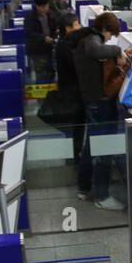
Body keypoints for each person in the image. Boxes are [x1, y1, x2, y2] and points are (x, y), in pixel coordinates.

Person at [74, 12, 132, 210]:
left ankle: (83, 187)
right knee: (104, 148)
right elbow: (97, 51)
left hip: (91, 101)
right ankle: (101, 195)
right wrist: (118, 50)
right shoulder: (92, 39)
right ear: (105, 29)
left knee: (91, 147)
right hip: (98, 104)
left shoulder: (86, 37)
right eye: (111, 35)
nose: (110, 38)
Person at [54, 13, 87, 161]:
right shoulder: (65, 46)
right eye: (76, 24)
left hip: (72, 90)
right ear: (68, 29)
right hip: (71, 92)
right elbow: (76, 67)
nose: (79, 27)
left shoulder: (66, 43)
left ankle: (75, 153)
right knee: (76, 126)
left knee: (77, 126)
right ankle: (75, 156)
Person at [25, 0, 57, 78]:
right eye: (44, 7)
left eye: (47, 6)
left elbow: (54, 27)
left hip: (50, 48)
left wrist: (55, 33)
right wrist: (43, 38)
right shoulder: (30, 18)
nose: (46, 9)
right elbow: (29, 33)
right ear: (38, 6)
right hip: (37, 50)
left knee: (51, 72)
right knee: (41, 73)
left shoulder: (51, 14)